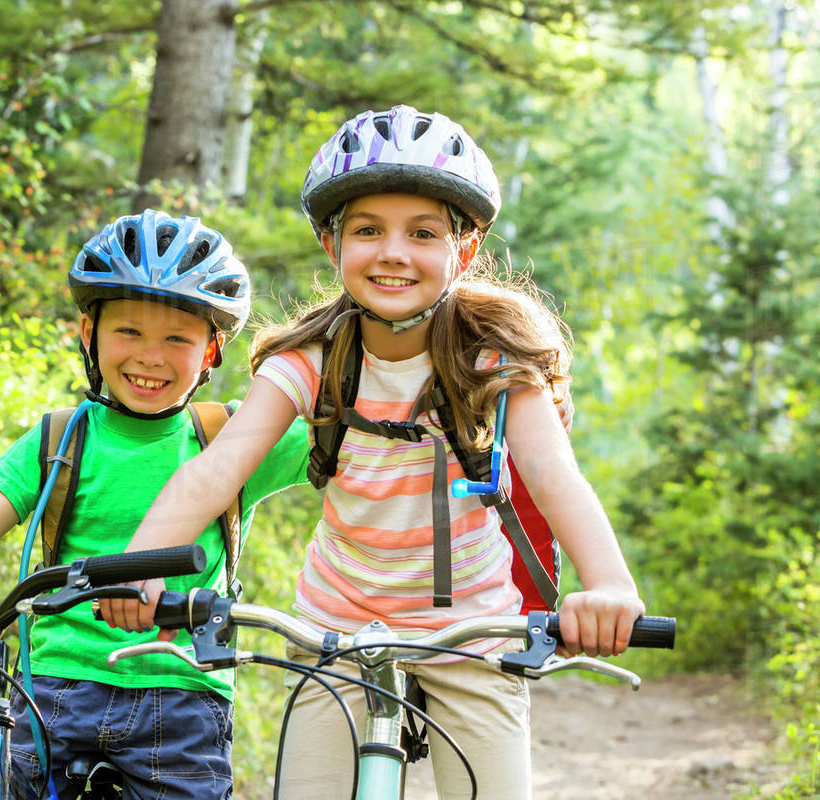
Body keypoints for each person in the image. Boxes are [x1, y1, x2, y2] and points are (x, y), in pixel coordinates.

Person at [99, 106, 645, 799]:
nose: (392, 252)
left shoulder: (495, 358)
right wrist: (140, 564)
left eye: (423, 233)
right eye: (367, 230)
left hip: (472, 631)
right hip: (335, 625)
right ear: (332, 245)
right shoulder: (310, 359)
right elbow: (216, 471)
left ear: (464, 251)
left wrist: (610, 585)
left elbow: (552, 474)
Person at [0, 209, 310, 800]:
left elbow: (355, 437)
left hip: (182, 695)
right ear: (89, 333)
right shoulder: (58, 441)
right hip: (56, 690)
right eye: (129, 332)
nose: (151, 357)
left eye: (177, 339)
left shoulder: (235, 437)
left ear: (212, 350)